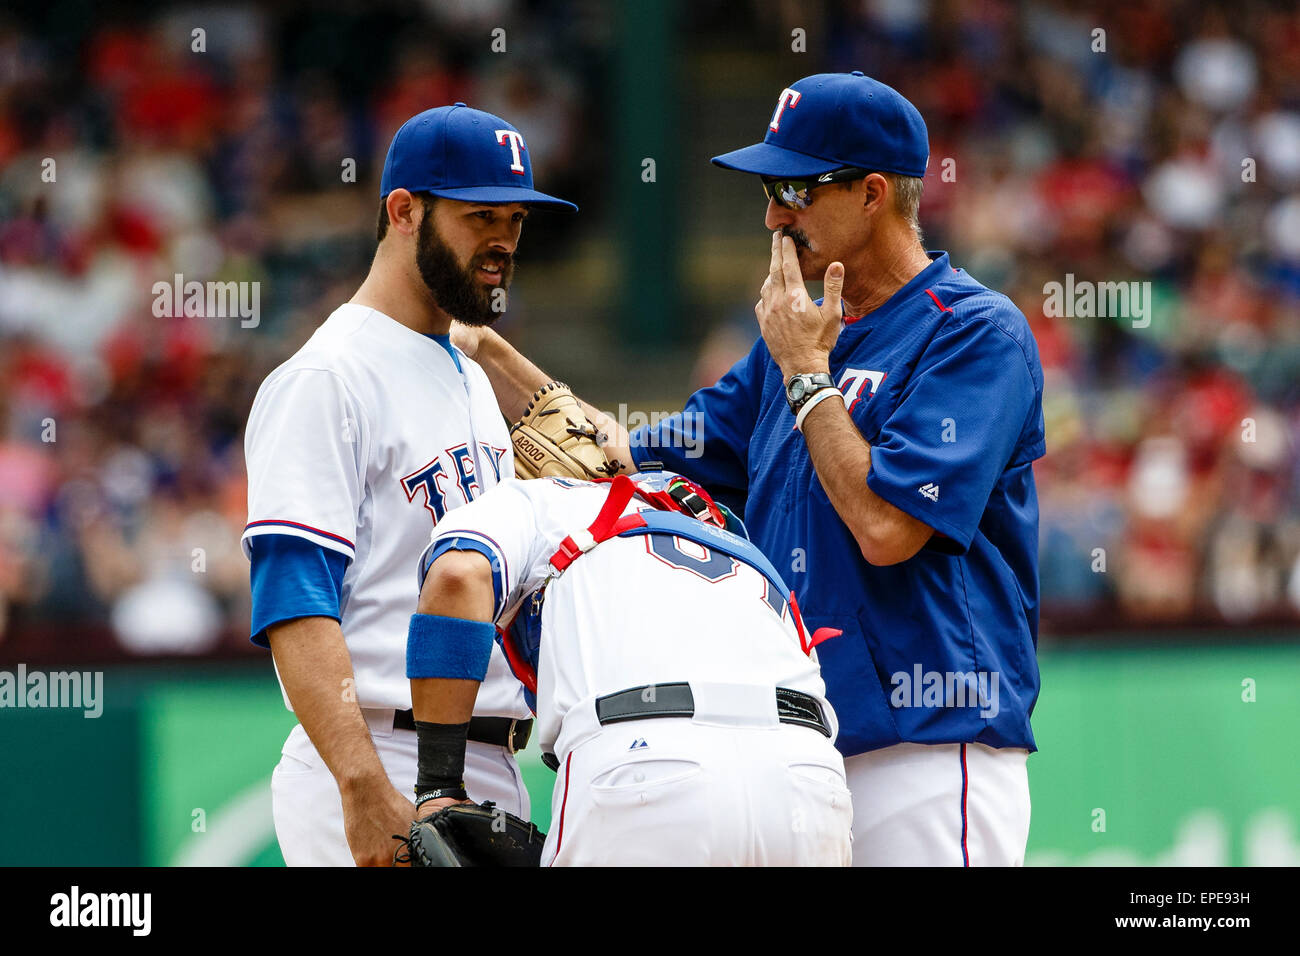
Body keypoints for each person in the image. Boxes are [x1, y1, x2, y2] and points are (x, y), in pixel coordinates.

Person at [453, 73, 1046, 866]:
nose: (773, 215)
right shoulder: (785, 348)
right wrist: (481, 347)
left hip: (930, 749)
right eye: (769, 189)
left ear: (873, 193)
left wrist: (807, 375)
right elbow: (617, 459)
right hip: (797, 746)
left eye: (795, 189)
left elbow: (889, 527)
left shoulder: (973, 333)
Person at [241, 103, 576, 866]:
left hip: (486, 763)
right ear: (403, 211)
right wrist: (362, 789)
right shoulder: (328, 377)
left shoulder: (468, 374)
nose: (503, 242)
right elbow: (296, 600)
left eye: (516, 221)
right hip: (383, 757)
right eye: (480, 216)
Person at [406, 469, 852, 866]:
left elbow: (458, 574)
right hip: (808, 778)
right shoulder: (742, 547)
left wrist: (437, 785)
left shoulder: (538, 498)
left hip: (645, 762)